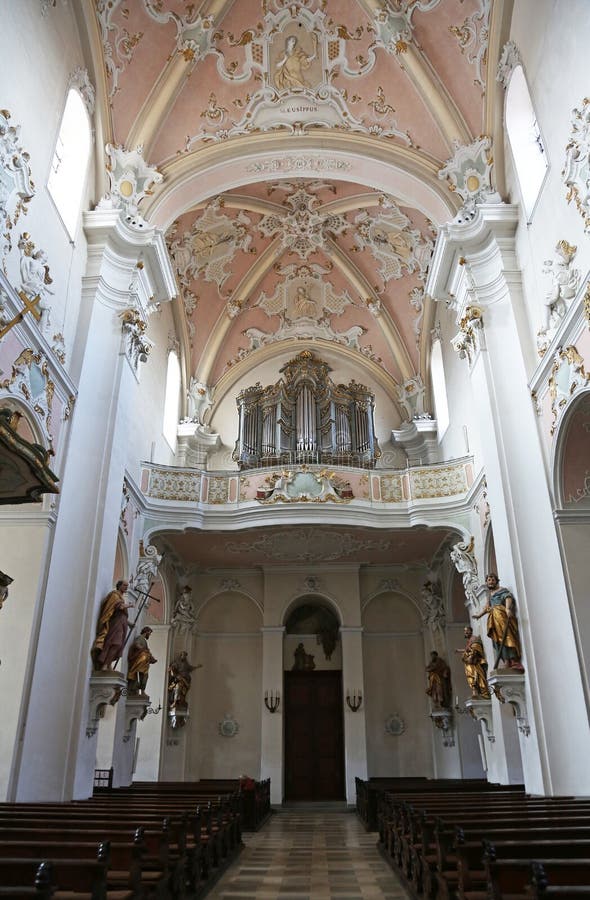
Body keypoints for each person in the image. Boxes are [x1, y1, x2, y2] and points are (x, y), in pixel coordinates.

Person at [473, 573, 525, 671]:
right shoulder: (490, 595)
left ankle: (514, 660)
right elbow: (487, 607)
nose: (491, 582)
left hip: (502, 616)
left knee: (508, 637)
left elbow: (508, 598)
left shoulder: (502, 590)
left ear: (496, 581)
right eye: (489, 580)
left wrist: (508, 609)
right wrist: (479, 615)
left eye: (492, 580)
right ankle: (506, 661)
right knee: (498, 641)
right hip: (493, 619)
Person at [91, 580, 133, 670]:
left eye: (127, 586)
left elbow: (122, 615)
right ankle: (104, 664)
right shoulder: (114, 595)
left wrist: (129, 624)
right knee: (114, 643)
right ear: (119, 586)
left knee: (118, 645)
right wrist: (129, 606)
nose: (126, 587)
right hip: (115, 624)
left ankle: (108, 663)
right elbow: (119, 607)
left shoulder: (121, 597)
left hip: (121, 624)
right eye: (125, 585)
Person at [455, 625, 491, 699]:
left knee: (477, 676)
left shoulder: (474, 639)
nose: (465, 632)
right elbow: (467, 649)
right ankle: (475, 692)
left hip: (474, 663)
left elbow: (475, 648)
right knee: (471, 677)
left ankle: (484, 692)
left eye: (466, 631)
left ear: (471, 631)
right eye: (464, 631)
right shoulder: (469, 641)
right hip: (469, 663)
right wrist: (459, 651)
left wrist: (471, 656)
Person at [127, 626, 157, 693]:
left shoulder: (144, 640)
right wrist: (143, 650)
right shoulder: (140, 638)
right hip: (140, 661)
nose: (149, 635)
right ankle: (136, 689)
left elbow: (147, 651)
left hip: (144, 662)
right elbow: (136, 644)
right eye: (149, 633)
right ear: (146, 632)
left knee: (144, 675)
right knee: (140, 674)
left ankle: (141, 690)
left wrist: (152, 658)